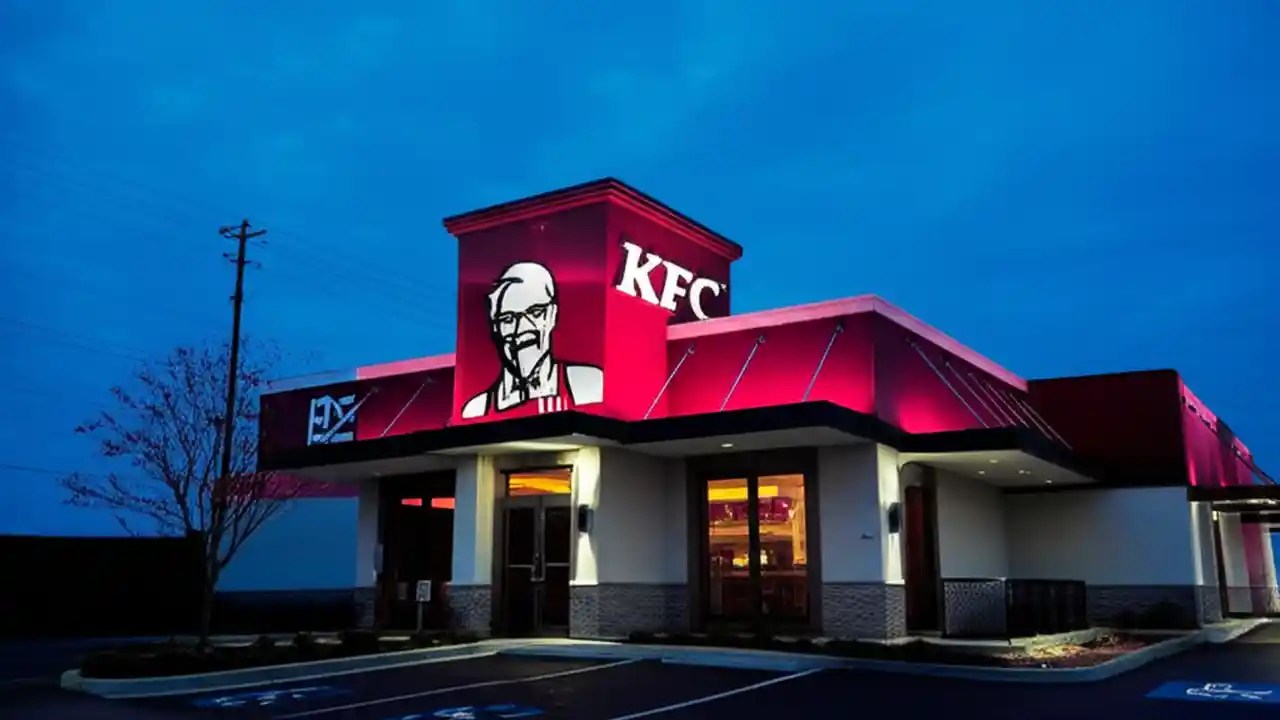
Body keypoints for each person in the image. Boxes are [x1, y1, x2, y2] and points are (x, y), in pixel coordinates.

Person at [461, 261, 603, 419]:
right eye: (508, 319)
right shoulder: (477, 410)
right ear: (496, 327)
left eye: (535, 312)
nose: (521, 328)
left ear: (551, 315)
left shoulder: (586, 384)